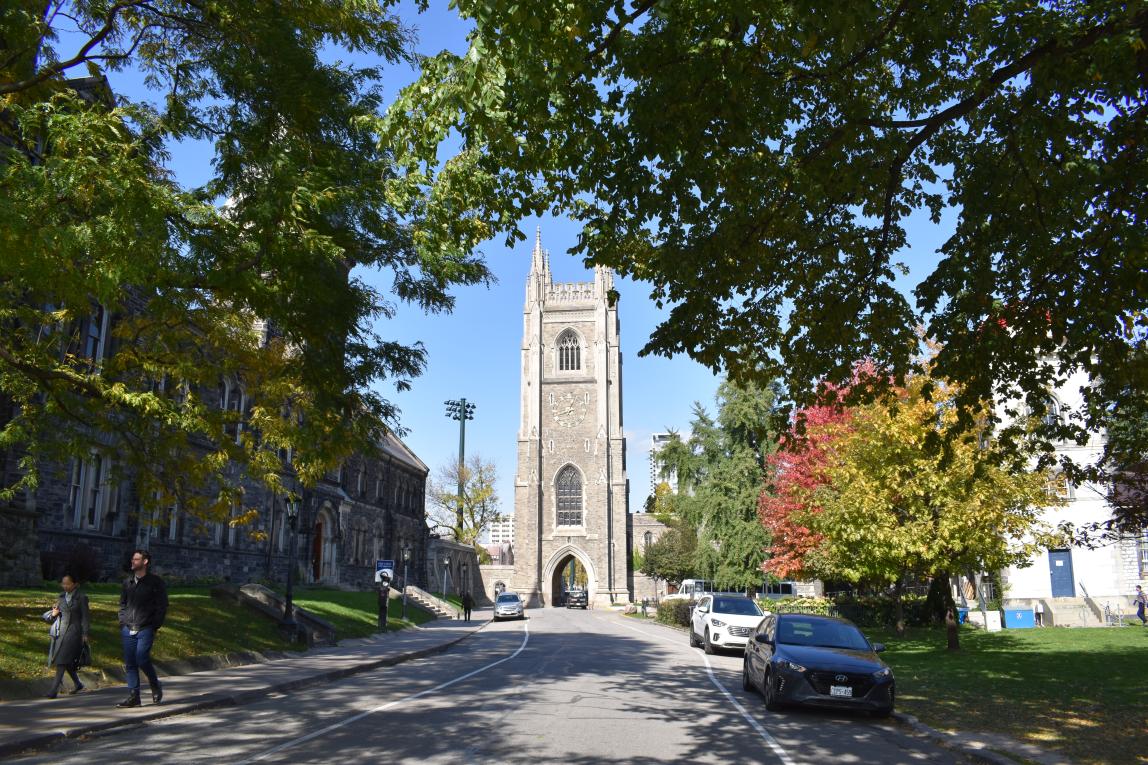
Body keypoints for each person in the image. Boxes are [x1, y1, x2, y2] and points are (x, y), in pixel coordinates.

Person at [117, 549, 168, 708]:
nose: (133, 562)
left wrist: (155, 625)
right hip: (128, 627)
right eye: (132, 559)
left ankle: (155, 684)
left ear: (145, 562)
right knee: (130, 662)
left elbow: (162, 606)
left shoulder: (155, 583)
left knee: (142, 658)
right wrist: (122, 620)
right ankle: (134, 695)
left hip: (145, 627)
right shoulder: (128, 582)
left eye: (136, 559)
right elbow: (123, 604)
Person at [42, 573, 90, 698]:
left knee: (61, 661)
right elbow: (55, 617)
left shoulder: (82, 597)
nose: (65, 586)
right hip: (61, 632)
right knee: (66, 660)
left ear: (75, 584)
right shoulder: (61, 597)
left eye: (67, 583)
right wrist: (54, 613)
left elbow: (85, 617)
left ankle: (53, 690)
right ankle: (78, 684)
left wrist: (85, 633)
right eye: (63, 583)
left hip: (74, 633)